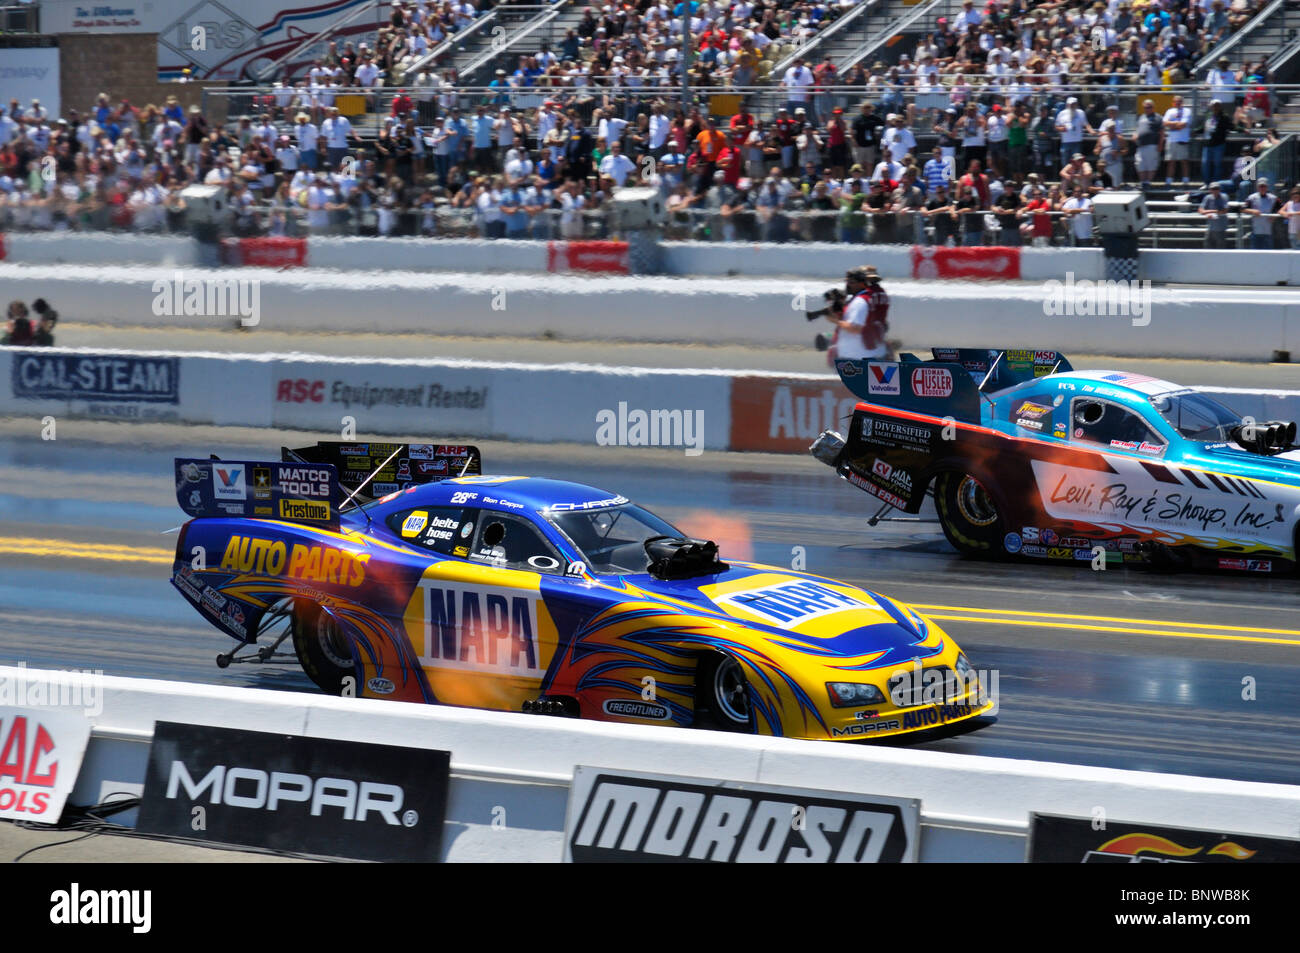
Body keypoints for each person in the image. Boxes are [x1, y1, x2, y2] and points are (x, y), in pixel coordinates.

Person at [826, 266, 890, 362]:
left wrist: (837, 318)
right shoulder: (882, 293)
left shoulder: (866, 296)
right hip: (878, 331)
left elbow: (855, 325)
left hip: (865, 335)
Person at [1163, 95, 1193, 186]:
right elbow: (1164, 123)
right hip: (1171, 140)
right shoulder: (1169, 111)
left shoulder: (1187, 111)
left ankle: (1186, 182)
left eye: (1179, 101)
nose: (1177, 103)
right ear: (1173, 102)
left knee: (1184, 161)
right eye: (1176, 101)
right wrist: (1176, 123)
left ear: (1182, 102)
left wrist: (1171, 124)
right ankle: (1168, 182)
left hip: (1182, 139)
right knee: (1171, 162)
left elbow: (1183, 125)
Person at [1246, 179, 1278, 249]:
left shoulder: (1273, 198)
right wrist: (1252, 211)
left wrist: (1274, 216)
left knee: (1268, 255)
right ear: (1257, 187)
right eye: (1261, 186)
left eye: (1264, 186)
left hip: (1268, 232)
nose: (1262, 188)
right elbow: (1243, 209)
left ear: (1267, 187)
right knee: (1255, 255)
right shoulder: (1251, 198)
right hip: (1256, 232)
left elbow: (1281, 208)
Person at [1199, 182, 1230, 248]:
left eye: (1217, 188)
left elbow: (1225, 211)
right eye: (1213, 189)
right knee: (1207, 248)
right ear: (1210, 190)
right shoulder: (1207, 197)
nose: (1215, 190)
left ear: (1219, 189)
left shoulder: (1224, 197)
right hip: (1210, 228)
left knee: (1221, 248)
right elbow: (1200, 210)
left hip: (1221, 228)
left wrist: (1208, 212)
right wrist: (1213, 212)